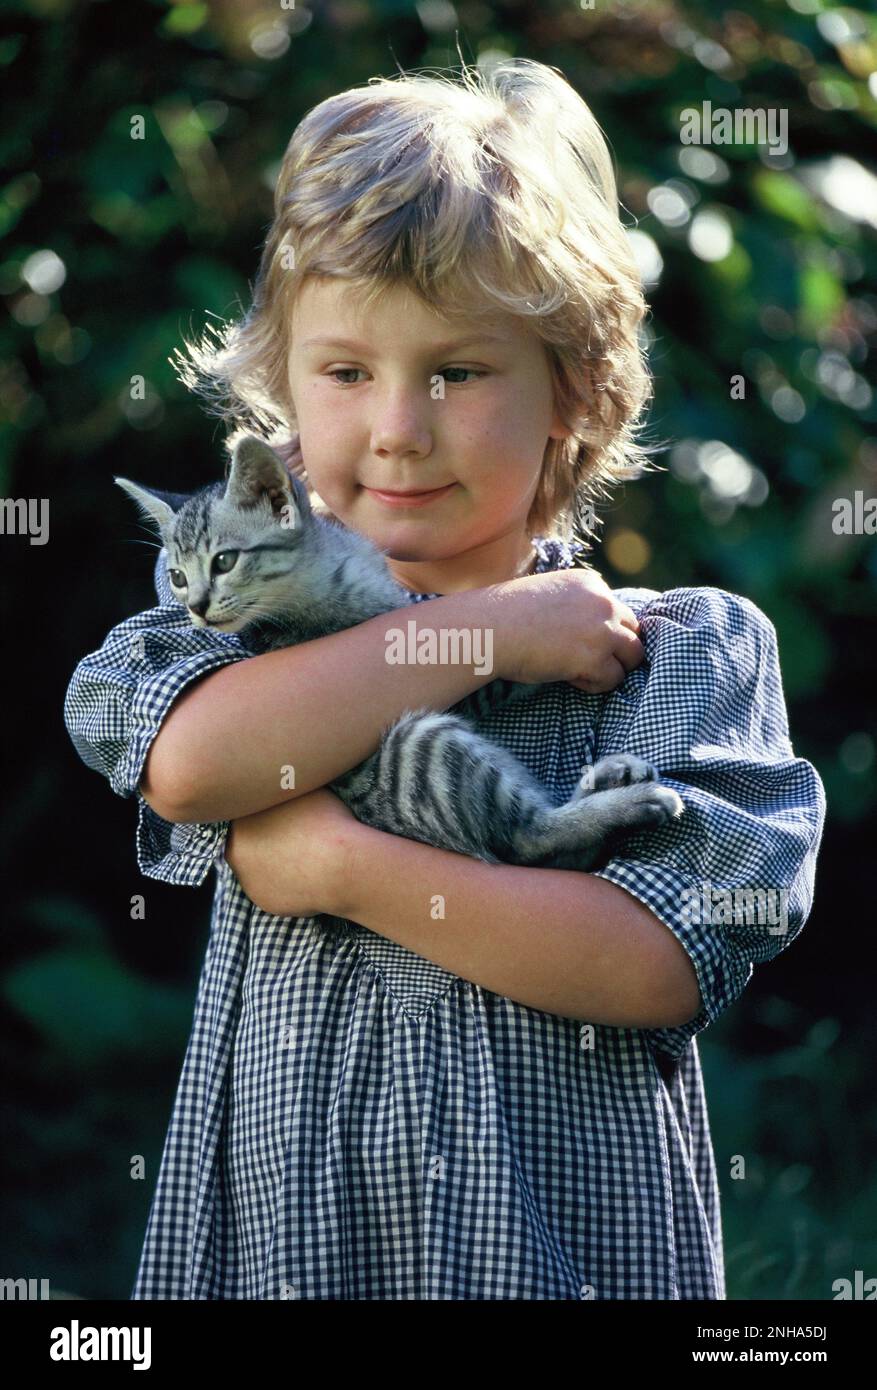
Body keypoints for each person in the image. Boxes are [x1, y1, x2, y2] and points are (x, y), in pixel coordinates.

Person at [63, 59, 826, 1300]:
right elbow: (195, 764)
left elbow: (654, 962)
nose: (398, 428)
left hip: (555, 1266)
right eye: (346, 373)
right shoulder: (246, 624)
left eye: (457, 372)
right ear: (281, 392)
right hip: (287, 1262)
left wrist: (344, 868)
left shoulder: (682, 652)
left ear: (571, 393)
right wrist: (479, 639)